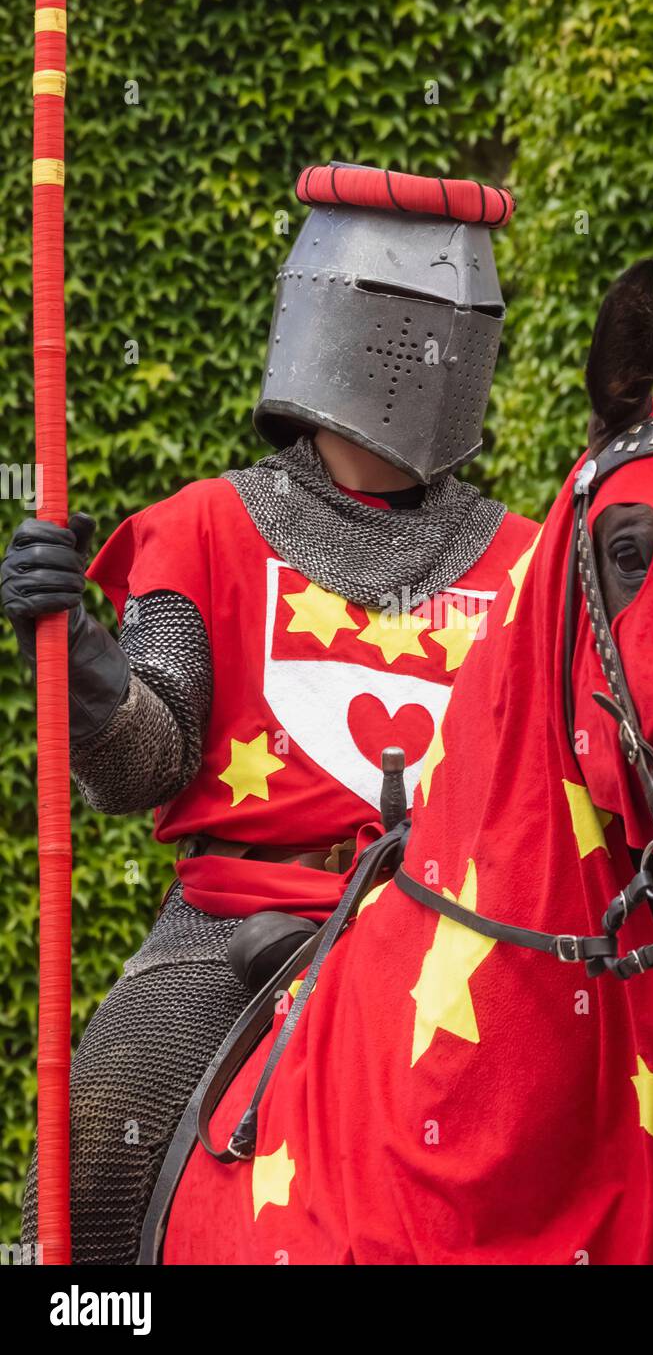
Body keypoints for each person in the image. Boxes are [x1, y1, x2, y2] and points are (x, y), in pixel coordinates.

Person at [1, 161, 539, 1263]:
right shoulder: (209, 527)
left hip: (473, 941)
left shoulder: (529, 562)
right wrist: (86, 662)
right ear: (339, 320)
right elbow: (142, 769)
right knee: (106, 1129)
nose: (433, 349)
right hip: (245, 925)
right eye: (412, 313)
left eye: (463, 316)